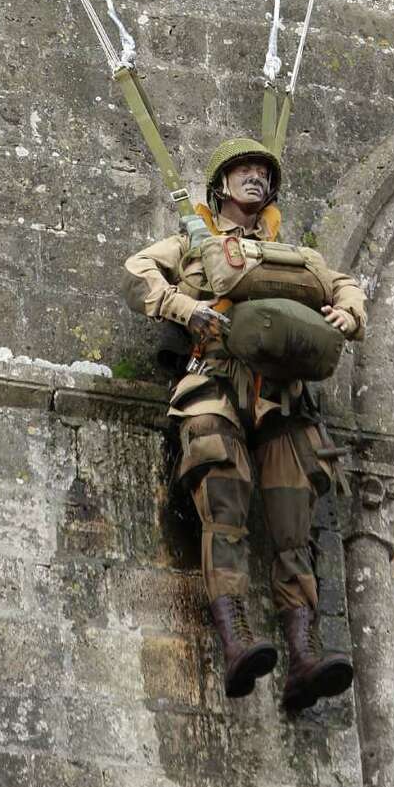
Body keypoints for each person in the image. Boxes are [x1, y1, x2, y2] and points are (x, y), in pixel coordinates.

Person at [122, 137, 365, 710]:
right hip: (214, 381)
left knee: (292, 524)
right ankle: (235, 641)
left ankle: (303, 654)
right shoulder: (191, 245)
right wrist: (185, 308)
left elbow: (346, 285)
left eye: (263, 173)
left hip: (282, 398)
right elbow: (137, 273)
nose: (255, 178)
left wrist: (346, 312)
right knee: (225, 505)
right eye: (243, 171)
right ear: (222, 185)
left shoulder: (292, 256)